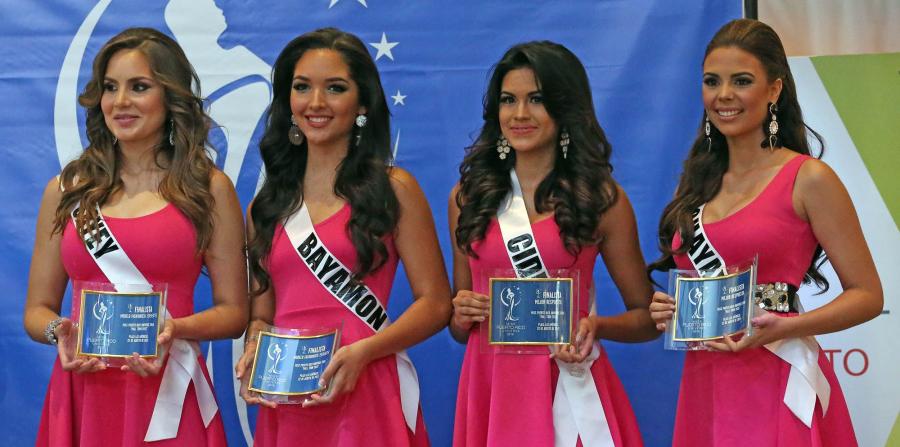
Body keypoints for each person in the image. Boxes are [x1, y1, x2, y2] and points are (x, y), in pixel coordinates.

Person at [648, 19, 883, 446]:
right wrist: (669, 309)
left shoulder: (808, 178)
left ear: (774, 89)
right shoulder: (697, 183)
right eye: (711, 81)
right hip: (705, 378)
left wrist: (786, 327)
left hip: (776, 370)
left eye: (742, 81)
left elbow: (868, 295)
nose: (723, 96)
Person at [23, 28, 247, 446]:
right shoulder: (67, 190)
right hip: (81, 395)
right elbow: (36, 310)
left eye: (139, 87)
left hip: (169, 391)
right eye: (110, 88)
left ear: (171, 97)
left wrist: (174, 329)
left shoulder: (208, 189)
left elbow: (234, 313)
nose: (120, 101)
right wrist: (60, 331)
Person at [234, 28, 452, 447]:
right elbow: (261, 315)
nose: (316, 103)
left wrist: (365, 352)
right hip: (288, 398)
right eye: (302, 88)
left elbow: (436, 302)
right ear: (288, 102)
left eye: (334, 88)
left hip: (366, 382)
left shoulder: (394, 189)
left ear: (362, 103)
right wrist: (254, 356)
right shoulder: (266, 205)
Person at [449, 41, 658, 447]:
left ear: (565, 109)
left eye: (537, 99)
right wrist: (460, 315)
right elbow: (461, 325)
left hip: (569, 386)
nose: (520, 114)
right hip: (491, 390)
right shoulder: (467, 197)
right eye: (509, 100)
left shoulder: (600, 199)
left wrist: (597, 326)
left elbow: (647, 317)